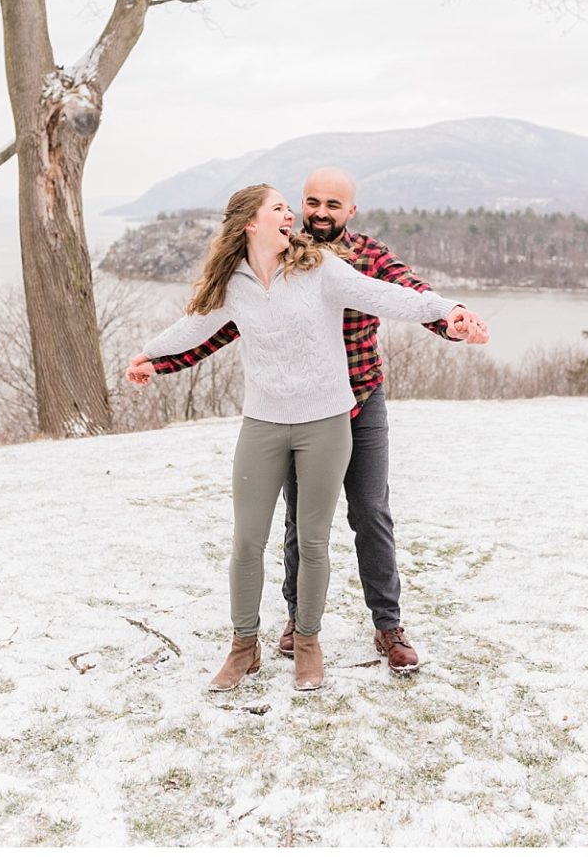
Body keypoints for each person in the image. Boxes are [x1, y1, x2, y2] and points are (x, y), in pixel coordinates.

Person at [127, 184, 483, 692]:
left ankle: (309, 643)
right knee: (248, 539)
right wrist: (147, 357)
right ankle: (243, 647)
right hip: (264, 423)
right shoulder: (234, 283)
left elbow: (390, 294)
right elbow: (195, 328)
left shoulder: (320, 267)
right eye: (280, 208)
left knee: (314, 540)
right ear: (251, 223)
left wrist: (448, 311)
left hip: (327, 421)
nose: (292, 214)